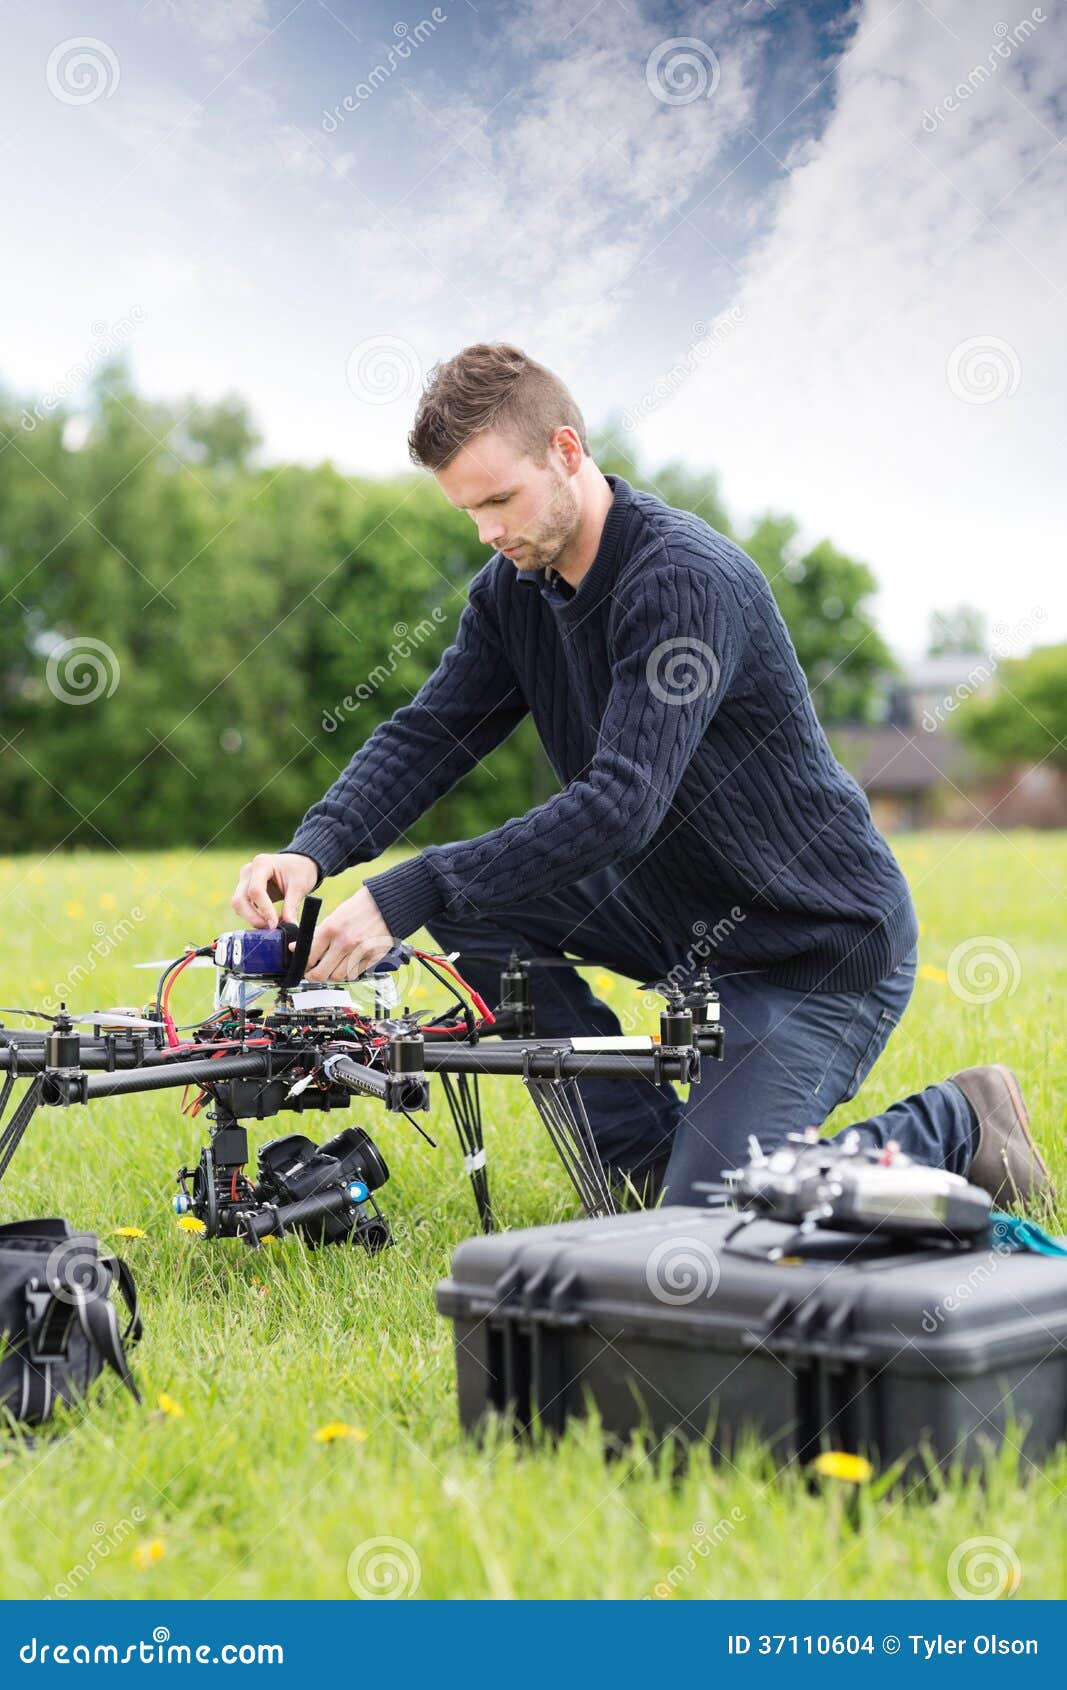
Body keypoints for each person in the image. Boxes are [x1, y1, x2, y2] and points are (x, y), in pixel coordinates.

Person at [230, 343, 1052, 1214]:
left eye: (499, 499)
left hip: (809, 946)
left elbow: (620, 804)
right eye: (468, 510)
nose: (487, 531)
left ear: (566, 452)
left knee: (720, 1220)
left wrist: (412, 886)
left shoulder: (683, 583)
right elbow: (431, 734)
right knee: (478, 905)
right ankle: (637, 1158)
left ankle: (962, 1120)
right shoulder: (514, 590)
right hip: (674, 917)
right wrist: (314, 851)